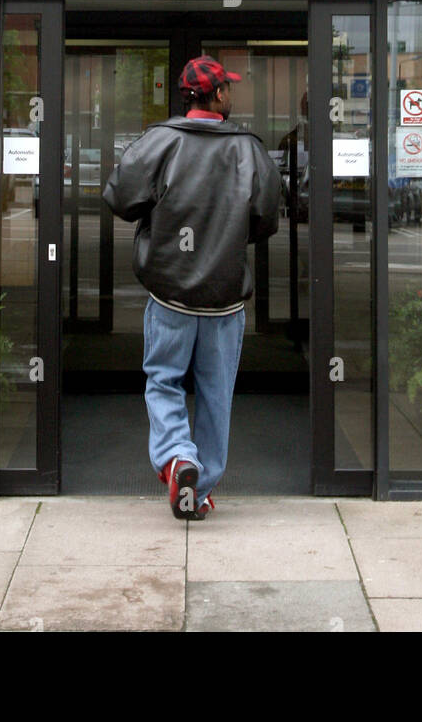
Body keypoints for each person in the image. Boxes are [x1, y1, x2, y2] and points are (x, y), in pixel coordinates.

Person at [102, 55, 281, 521]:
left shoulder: (159, 142)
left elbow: (120, 198)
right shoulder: (249, 149)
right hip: (224, 299)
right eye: (229, 88)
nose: (231, 94)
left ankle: (179, 457)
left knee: (163, 382)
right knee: (216, 395)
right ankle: (198, 490)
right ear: (218, 95)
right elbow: (265, 221)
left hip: (169, 295)